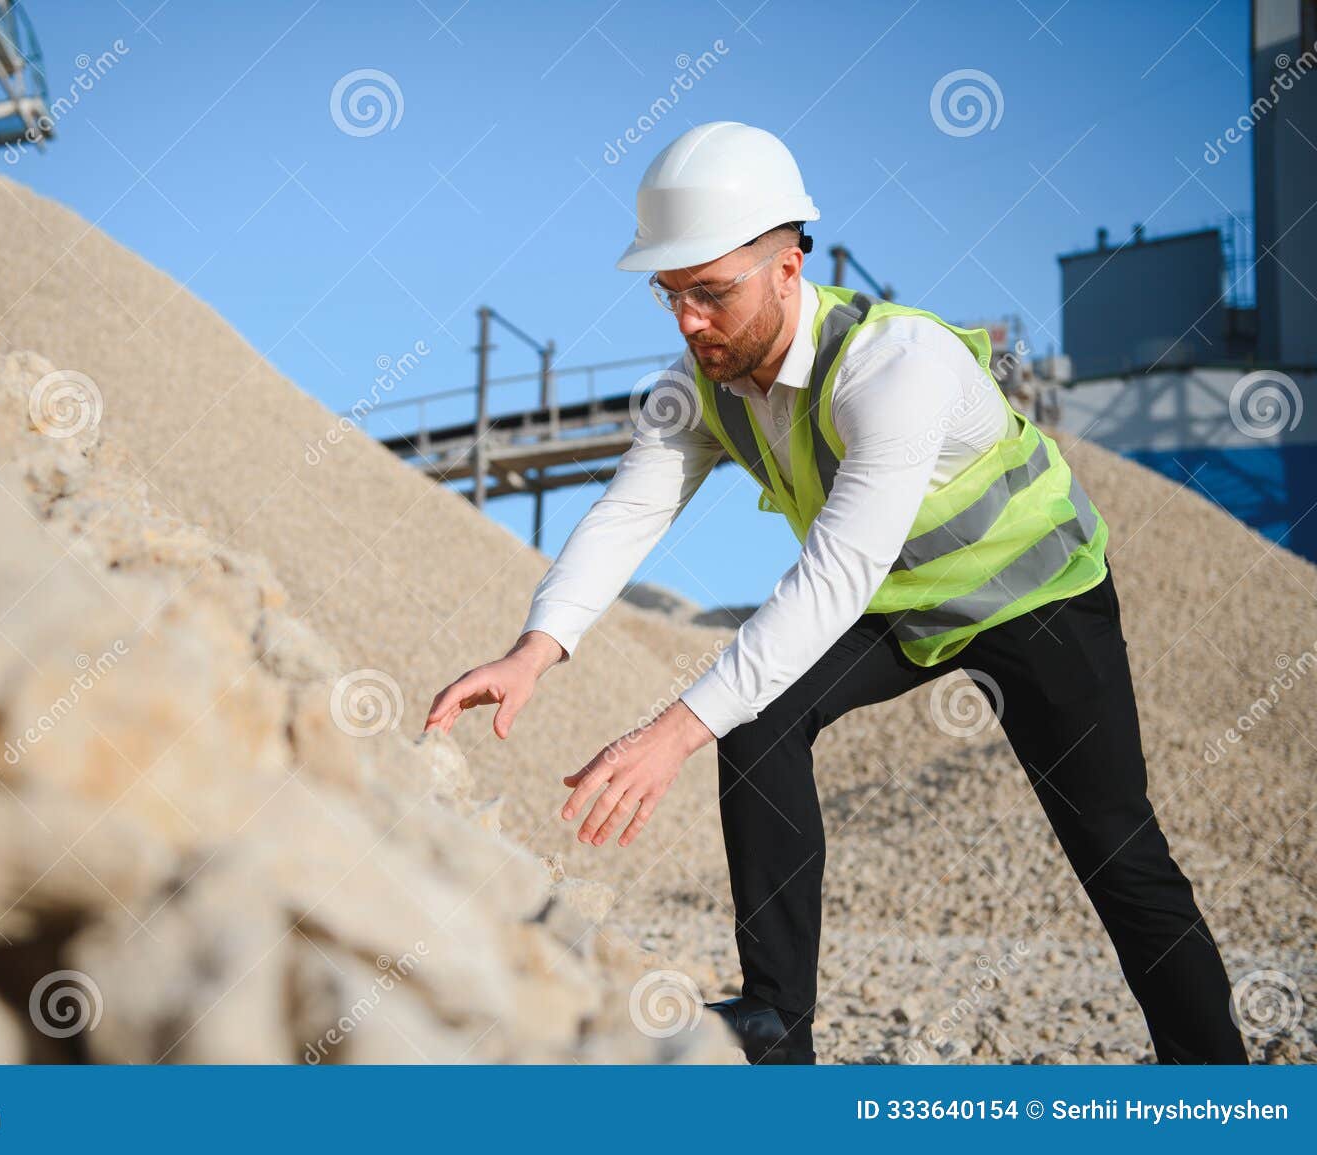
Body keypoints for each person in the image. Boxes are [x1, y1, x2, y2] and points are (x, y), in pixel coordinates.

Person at [423, 121, 1247, 1066]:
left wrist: (671, 732)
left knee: (1114, 846)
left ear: (788, 264)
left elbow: (836, 571)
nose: (690, 322)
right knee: (760, 715)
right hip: (899, 603)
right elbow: (627, 511)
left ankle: (1218, 1085)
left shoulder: (895, 368)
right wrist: (536, 647)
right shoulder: (696, 385)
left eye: (712, 293)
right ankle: (780, 1030)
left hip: (1035, 597)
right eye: (672, 295)